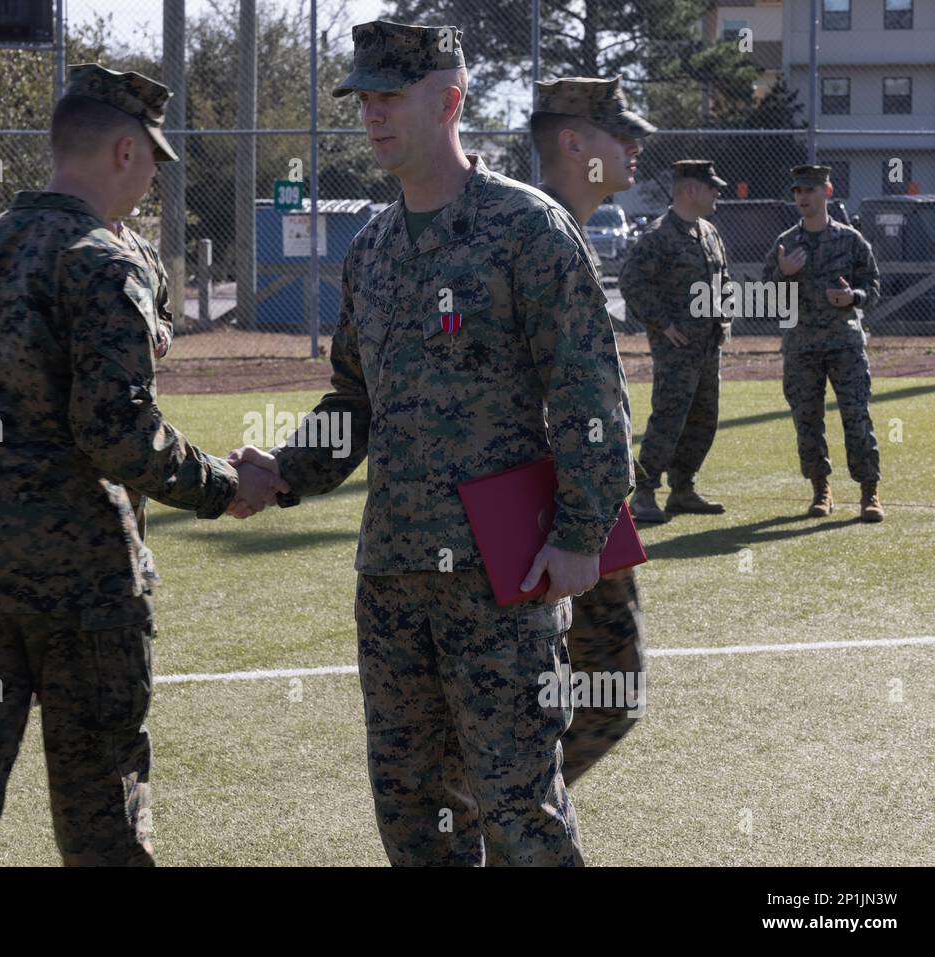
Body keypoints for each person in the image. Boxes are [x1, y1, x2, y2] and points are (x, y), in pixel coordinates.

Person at [231, 21, 633, 866]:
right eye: (364, 99)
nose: (372, 115)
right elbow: (354, 399)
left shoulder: (527, 229)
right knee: (414, 813)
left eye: (390, 97)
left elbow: (590, 394)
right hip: (393, 577)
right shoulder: (372, 249)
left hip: (503, 578)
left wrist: (581, 533)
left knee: (521, 807)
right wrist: (284, 472)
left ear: (449, 100)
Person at [0, 63, 279, 867]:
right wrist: (227, 487)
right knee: (103, 813)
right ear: (121, 150)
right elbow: (118, 433)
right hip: (84, 591)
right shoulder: (104, 261)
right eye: (152, 158)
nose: (152, 178)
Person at [530, 75, 652, 787]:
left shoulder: (555, 230)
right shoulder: (540, 234)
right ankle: (502, 832)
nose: (635, 147)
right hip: (549, 513)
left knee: (595, 693)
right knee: (605, 691)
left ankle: (507, 828)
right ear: (575, 142)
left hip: (572, 506)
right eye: (620, 133)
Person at [763, 164, 883, 521]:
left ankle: (869, 492)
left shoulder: (850, 240)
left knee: (857, 416)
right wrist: (783, 275)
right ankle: (821, 490)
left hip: (844, 345)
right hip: (801, 347)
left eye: (810, 191)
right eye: (798, 191)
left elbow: (873, 286)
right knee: (807, 421)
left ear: (827, 193)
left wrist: (853, 297)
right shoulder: (785, 243)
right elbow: (766, 293)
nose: (802, 197)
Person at [620, 160, 732, 524]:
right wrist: (662, 323)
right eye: (711, 187)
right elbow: (632, 282)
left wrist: (724, 316)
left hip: (707, 346)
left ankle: (683, 488)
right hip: (677, 348)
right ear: (690, 190)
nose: (717, 193)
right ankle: (645, 492)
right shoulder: (658, 236)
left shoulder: (709, 233)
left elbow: (724, 279)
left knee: (704, 419)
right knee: (669, 418)